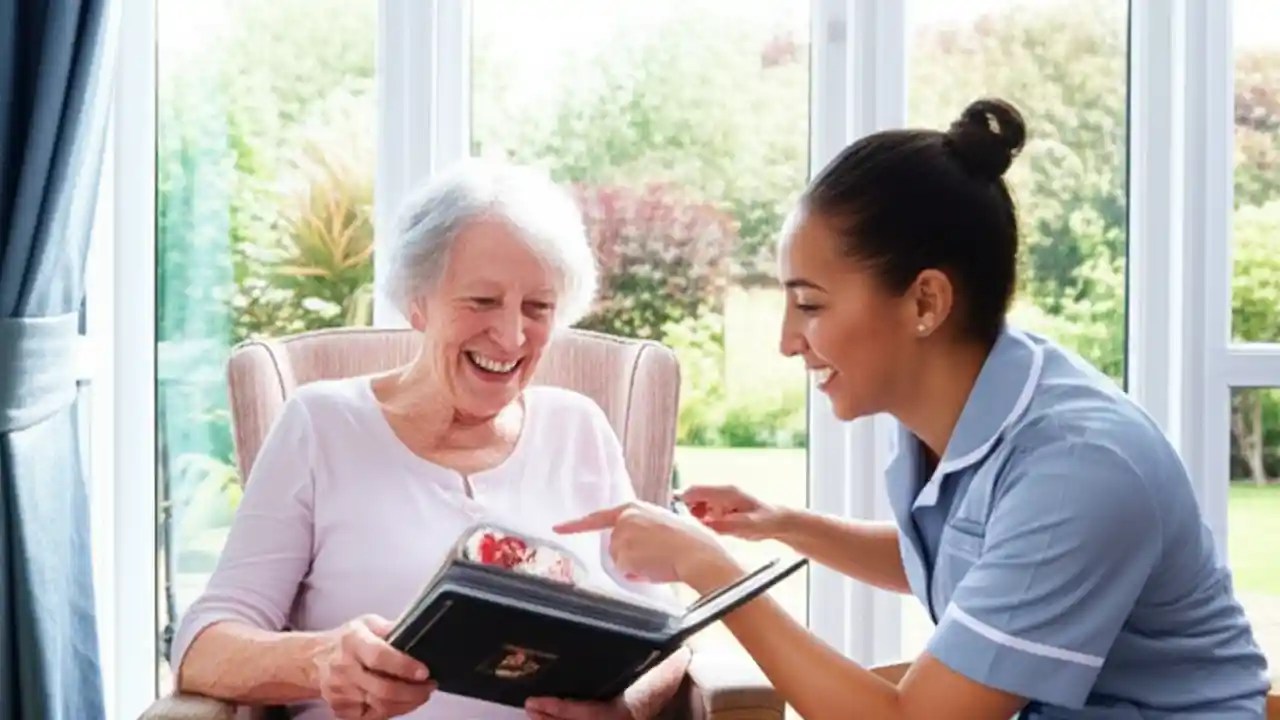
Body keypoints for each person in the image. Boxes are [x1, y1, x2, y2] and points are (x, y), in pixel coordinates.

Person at [555, 98, 1272, 719]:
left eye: (810, 304)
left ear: (925, 301)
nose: (786, 340)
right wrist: (781, 523)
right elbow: (966, 558)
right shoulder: (968, 413)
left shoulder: (1080, 467)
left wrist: (711, 570)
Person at [170, 159, 690, 720]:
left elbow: (665, 630)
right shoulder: (321, 425)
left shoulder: (578, 428)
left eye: (538, 307)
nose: (511, 335)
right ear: (417, 301)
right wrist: (320, 660)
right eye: (482, 301)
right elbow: (203, 647)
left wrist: (626, 709)